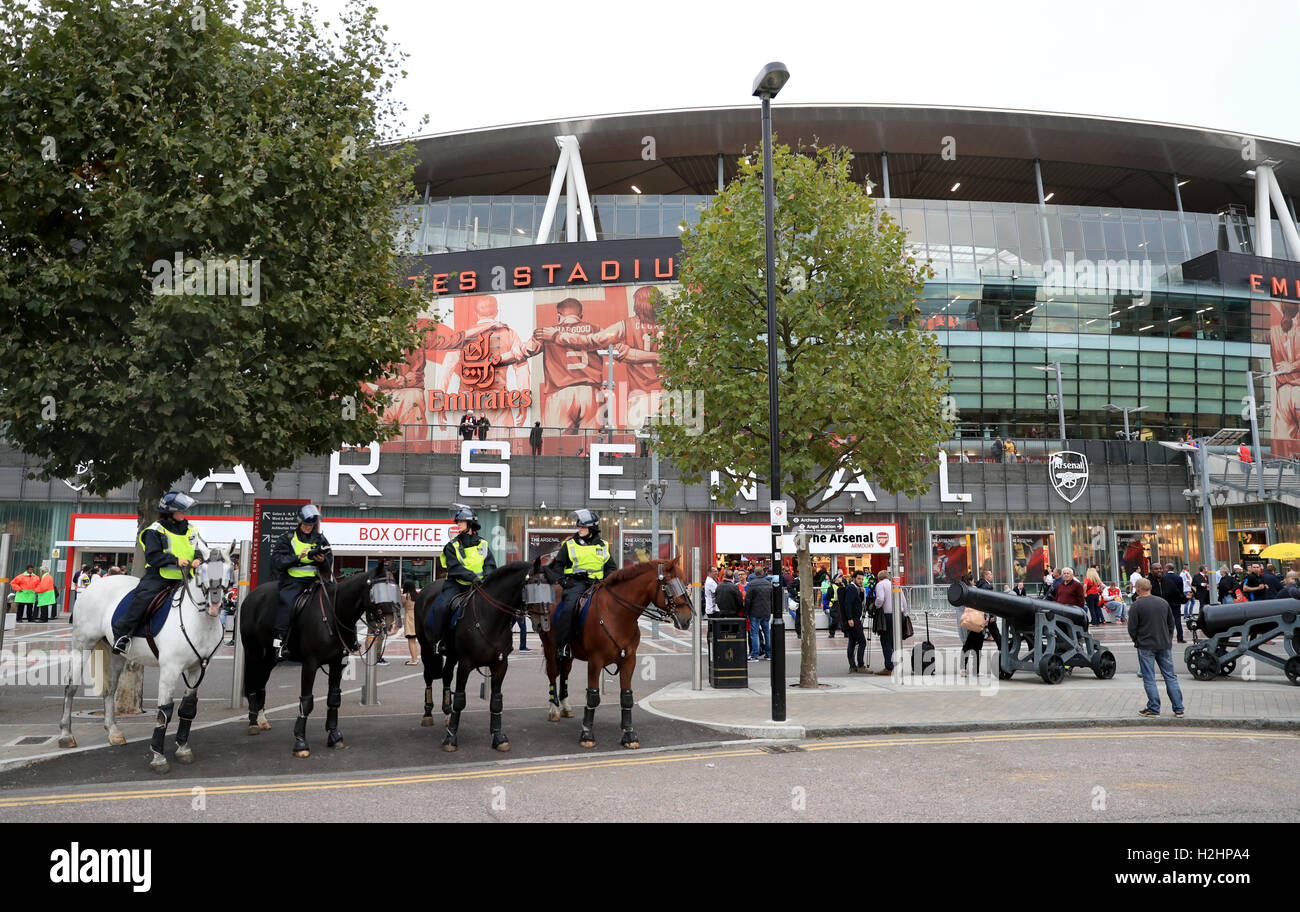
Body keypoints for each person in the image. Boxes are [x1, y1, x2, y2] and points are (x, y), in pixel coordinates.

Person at [111, 492, 202, 655]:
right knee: (142, 599)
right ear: (169, 513)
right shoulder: (154, 530)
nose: (184, 513)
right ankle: (122, 634)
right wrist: (175, 560)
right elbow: (153, 556)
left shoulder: (192, 529)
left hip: (187, 578)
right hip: (160, 577)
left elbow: (198, 549)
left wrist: (197, 559)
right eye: (181, 510)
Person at [545, 508, 616, 659]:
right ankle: (563, 646)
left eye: (583, 526)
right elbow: (558, 565)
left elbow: (611, 567)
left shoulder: (603, 545)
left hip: (598, 584)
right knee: (569, 608)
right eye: (579, 526)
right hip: (576, 584)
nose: (579, 529)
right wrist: (562, 581)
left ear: (592, 529)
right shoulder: (570, 544)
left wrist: (606, 580)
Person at [269, 503, 334, 661]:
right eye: (305, 524)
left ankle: (345, 641)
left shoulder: (320, 539)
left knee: (337, 597)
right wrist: (297, 557)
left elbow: (328, 564)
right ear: (300, 522)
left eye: (311, 524)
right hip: (293, 581)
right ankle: (279, 643)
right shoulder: (287, 538)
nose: (308, 527)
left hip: (315, 581)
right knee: (287, 603)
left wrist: (322, 560)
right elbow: (277, 561)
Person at [430, 506, 498, 653]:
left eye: (461, 521)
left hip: (480, 586)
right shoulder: (452, 545)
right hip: (457, 585)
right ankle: (439, 641)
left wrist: (486, 577)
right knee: (441, 607)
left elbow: (490, 565)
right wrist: (472, 577)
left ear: (470, 524)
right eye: (458, 522)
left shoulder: (483, 544)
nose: (458, 524)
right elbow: (454, 568)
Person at [1128, 578, 1186, 718]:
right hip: (1164, 644)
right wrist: (1168, 638)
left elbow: (1132, 628)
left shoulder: (1136, 605)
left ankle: (1154, 708)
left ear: (1138, 589)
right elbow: (1171, 624)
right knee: (1170, 676)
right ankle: (1179, 708)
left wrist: (1137, 640)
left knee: (1149, 678)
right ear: (1150, 588)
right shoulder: (1163, 602)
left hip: (1146, 645)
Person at [873, 571, 905, 675]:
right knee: (895, 642)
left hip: (888, 616)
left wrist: (876, 606)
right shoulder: (895, 584)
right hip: (899, 614)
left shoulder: (880, 584)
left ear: (879, 578)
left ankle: (889, 667)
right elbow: (904, 602)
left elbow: (880, 599)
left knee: (886, 641)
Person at [840, 570, 867, 672]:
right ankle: (860, 665)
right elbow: (848, 604)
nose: (861, 581)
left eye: (862, 579)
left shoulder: (855, 588)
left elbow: (858, 602)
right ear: (854, 578)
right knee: (862, 642)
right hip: (854, 619)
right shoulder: (851, 588)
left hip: (855, 618)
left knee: (852, 642)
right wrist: (850, 618)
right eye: (859, 579)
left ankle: (852, 666)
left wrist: (861, 592)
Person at [744, 572, 773, 661]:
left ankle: (754, 655)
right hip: (766, 612)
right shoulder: (768, 584)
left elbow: (748, 599)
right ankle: (768, 654)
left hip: (754, 612)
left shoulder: (751, 584)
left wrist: (746, 612)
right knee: (767, 633)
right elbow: (771, 598)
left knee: (754, 634)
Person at [1159, 564, 1187, 644]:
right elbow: (1181, 590)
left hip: (1166, 601)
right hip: (1176, 601)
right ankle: (1180, 638)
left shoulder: (1163, 578)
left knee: (1165, 620)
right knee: (1177, 620)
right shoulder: (1178, 578)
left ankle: (1166, 638)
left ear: (1167, 568)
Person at [401, 580, 420, 665]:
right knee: (416, 640)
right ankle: (416, 658)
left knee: (411, 640)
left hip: (409, 619)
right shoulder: (417, 595)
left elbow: (400, 605)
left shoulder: (406, 596)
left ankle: (414, 660)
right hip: (417, 618)